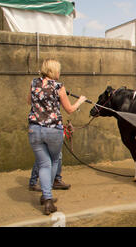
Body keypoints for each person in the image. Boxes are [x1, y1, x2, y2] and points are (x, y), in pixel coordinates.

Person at [27, 59, 87, 215]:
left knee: (43, 163)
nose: (59, 73)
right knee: (53, 161)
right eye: (58, 70)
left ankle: (46, 197)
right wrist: (80, 101)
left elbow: (29, 101)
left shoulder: (33, 83)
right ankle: (47, 197)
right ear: (54, 71)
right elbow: (69, 109)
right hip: (53, 130)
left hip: (34, 130)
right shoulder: (58, 86)